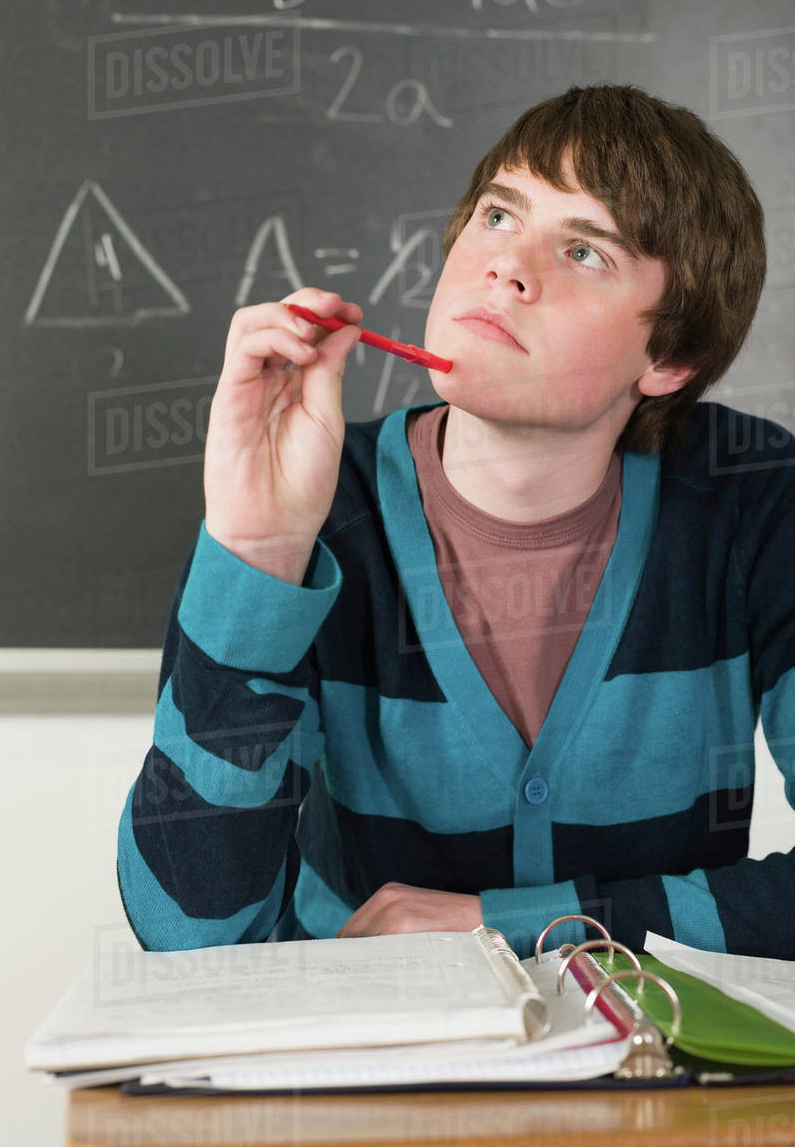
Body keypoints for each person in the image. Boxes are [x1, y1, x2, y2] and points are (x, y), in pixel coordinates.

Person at [117, 84, 794, 960]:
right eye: (499, 215)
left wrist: (509, 924)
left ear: (670, 359)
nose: (507, 266)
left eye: (584, 250)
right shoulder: (318, 499)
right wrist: (257, 553)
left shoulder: (755, 497)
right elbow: (190, 935)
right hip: (367, 1068)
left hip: (651, 1076)